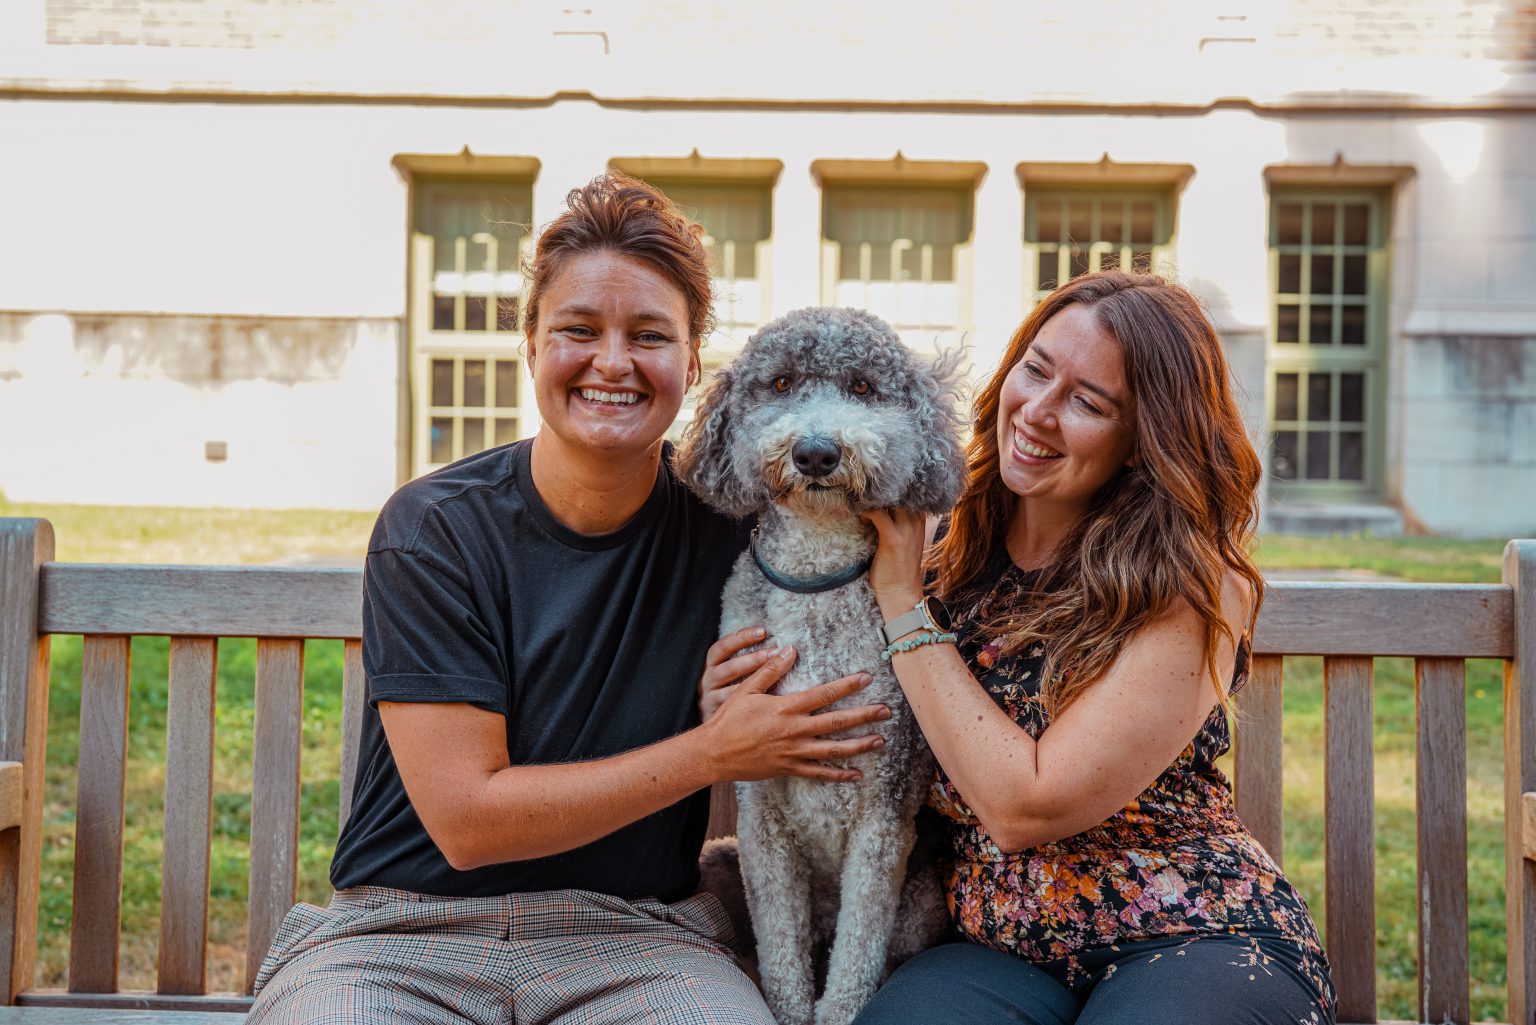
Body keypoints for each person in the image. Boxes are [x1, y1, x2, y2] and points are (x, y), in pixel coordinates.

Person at [245, 173, 890, 1025]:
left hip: (639, 940)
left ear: (692, 362)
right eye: (578, 330)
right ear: (532, 346)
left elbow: (918, 539)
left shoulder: (744, 533)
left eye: (650, 334)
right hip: (399, 937)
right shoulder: (435, 528)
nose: (613, 362)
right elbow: (468, 820)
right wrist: (716, 750)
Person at [851, 271, 1336, 1024]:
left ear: (1144, 441)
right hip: (996, 950)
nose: (1038, 413)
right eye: (1035, 369)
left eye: (1087, 401)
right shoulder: (941, 542)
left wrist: (903, 604)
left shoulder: (1191, 585)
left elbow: (1025, 803)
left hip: (1192, 933)